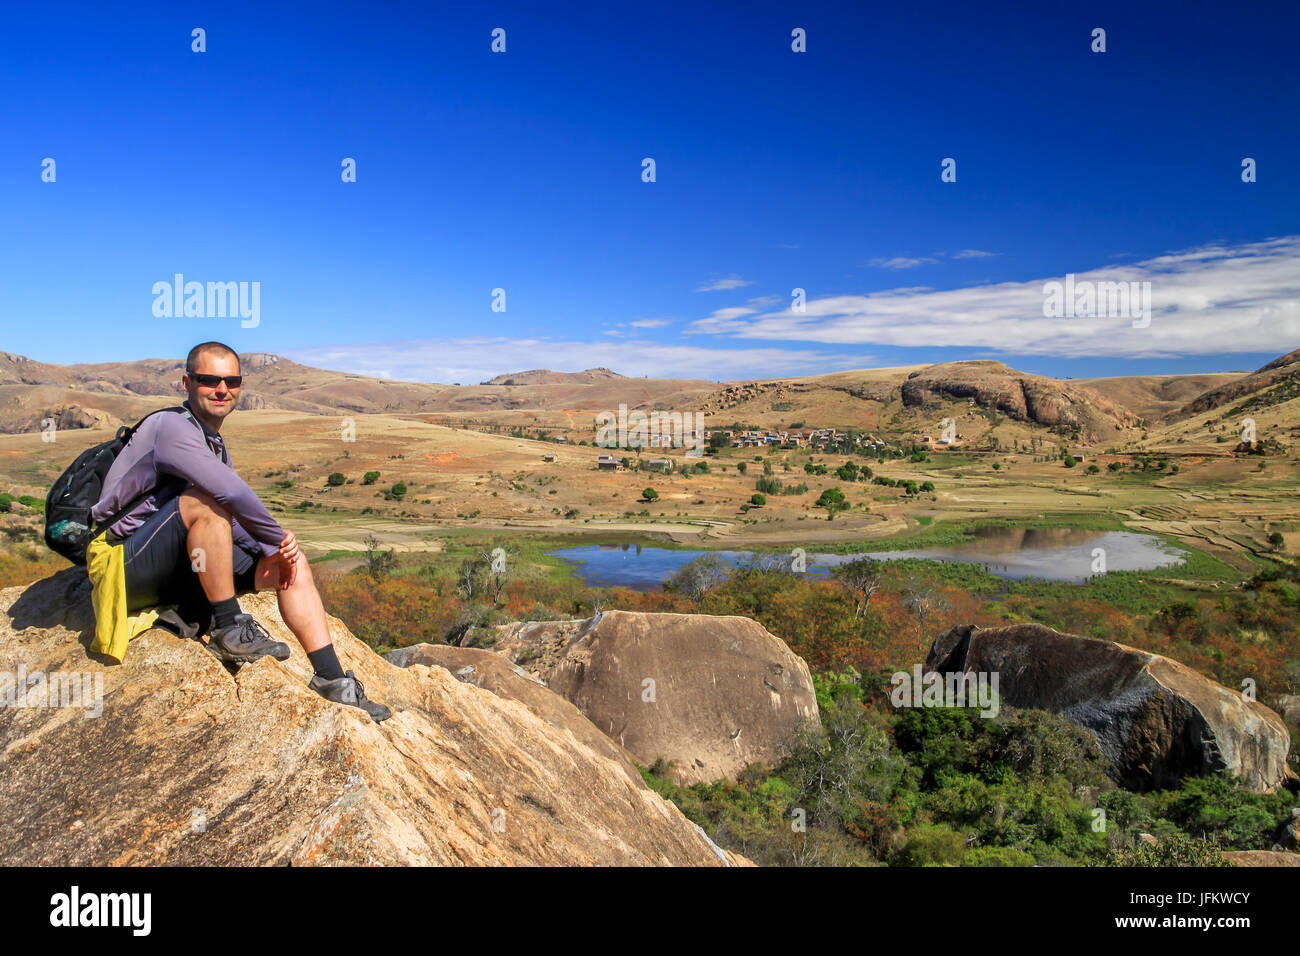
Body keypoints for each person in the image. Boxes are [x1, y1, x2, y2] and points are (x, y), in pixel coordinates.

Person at [91, 341, 391, 721]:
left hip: (177, 566)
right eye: (209, 380)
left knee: (290, 564)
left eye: (231, 381)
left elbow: (233, 517)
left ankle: (333, 681)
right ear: (186, 382)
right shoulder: (170, 428)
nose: (222, 389)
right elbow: (228, 494)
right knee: (206, 501)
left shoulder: (212, 442)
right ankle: (230, 628)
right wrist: (273, 537)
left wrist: (276, 553)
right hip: (123, 564)